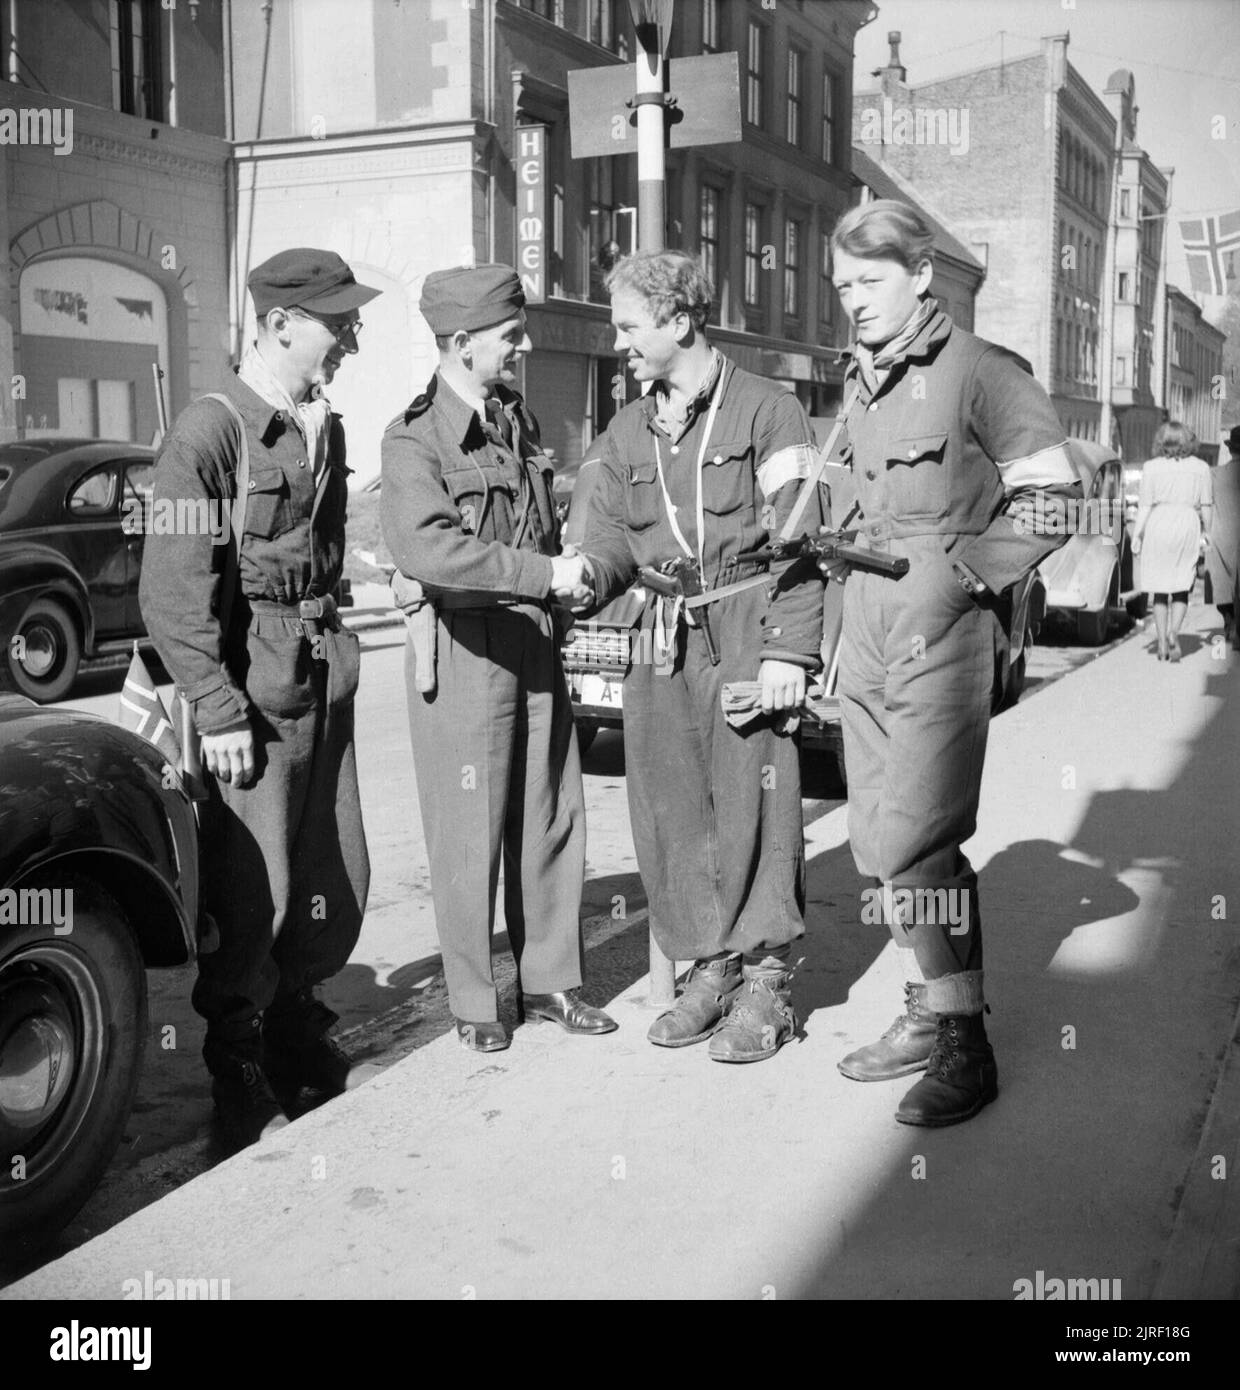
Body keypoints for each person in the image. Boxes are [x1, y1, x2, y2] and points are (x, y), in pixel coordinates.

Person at [828, 201, 1081, 1126]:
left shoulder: (980, 370)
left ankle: (966, 1048)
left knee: (922, 844)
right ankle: (921, 1012)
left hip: (940, 632)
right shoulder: (861, 377)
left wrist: (964, 578)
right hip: (864, 633)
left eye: (871, 280)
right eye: (843, 285)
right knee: (874, 841)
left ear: (922, 273)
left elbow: (1056, 496)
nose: (853, 300)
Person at [140, 248, 377, 1148]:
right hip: (253, 684)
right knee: (251, 881)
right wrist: (216, 706)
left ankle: (294, 1022)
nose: (351, 335)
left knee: (327, 861)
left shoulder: (324, 424)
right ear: (279, 324)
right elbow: (173, 590)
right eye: (335, 320)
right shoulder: (206, 434)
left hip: (322, 668)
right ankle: (236, 1053)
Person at [578, 249, 825, 1064]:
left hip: (748, 623)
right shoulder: (625, 428)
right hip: (661, 635)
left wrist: (789, 650)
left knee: (755, 797)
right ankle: (711, 965)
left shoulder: (768, 409)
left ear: (680, 319)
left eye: (627, 325)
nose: (618, 342)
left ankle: (767, 977)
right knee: (671, 802)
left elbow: (800, 539)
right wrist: (583, 575)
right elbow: (606, 535)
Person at [380, 264, 616, 1052]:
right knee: (468, 828)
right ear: (459, 343)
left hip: (535, 640)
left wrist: (567, 571)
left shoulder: (517, 420)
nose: (522, 346)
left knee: (549, 814)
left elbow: (539, 526)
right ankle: (476, 1002)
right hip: (466, 647)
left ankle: (551, 982)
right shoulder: (413, 437)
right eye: (509, 336)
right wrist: (542, 575)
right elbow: (430, 548)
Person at [1132, 421, 1213, 662]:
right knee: (1181, 586)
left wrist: (1137, 534)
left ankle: (1160, 643)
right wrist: (1208, 531)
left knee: (1159, 589)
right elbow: (1206, 504)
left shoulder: (1151, 467)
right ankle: (1174, 633)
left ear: (1162, 441)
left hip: (1159, 524)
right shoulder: (1201, 467)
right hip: (1186, 523)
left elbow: (1145, 504)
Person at [1203, 424, 1240, 649]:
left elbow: (1205, 505)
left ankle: (1229, 622)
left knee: (1223, 583)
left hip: (1222, 536)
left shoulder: (1214, 474)